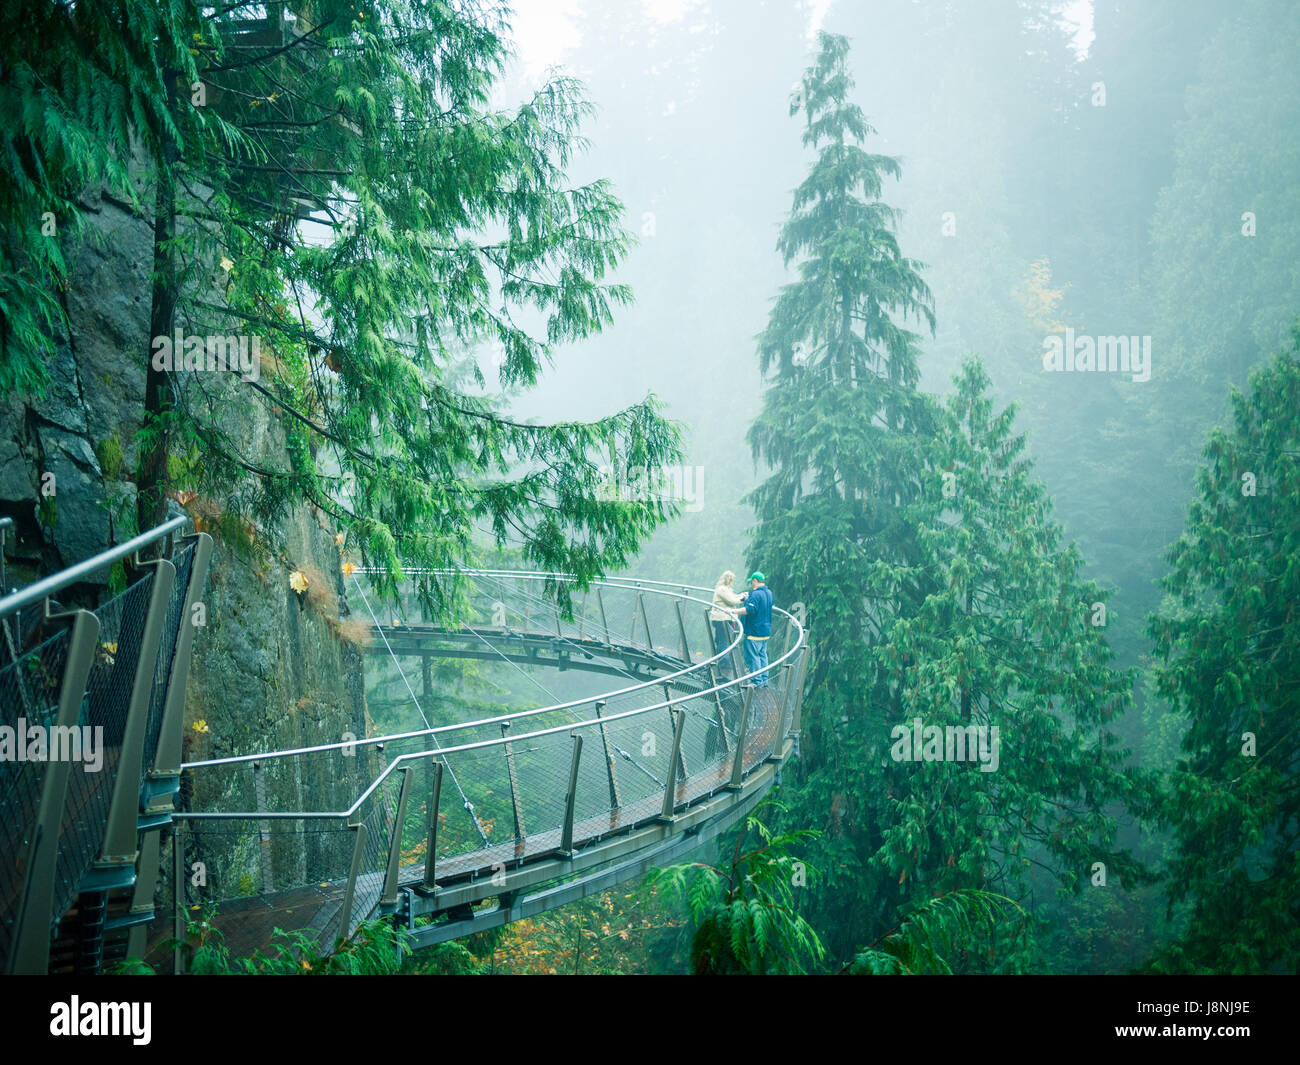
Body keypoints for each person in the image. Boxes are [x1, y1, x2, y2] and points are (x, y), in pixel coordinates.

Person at [737, 572, 773, 687]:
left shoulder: (756, 594)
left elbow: (749, 610)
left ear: (755, 581)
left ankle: (756, 681)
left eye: (752, 581)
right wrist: (749, 598)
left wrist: (733, 611)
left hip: (754, 632)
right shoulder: (769, 593)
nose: (752, 583)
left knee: (753, 656)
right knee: (763, 655)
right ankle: (764, 679)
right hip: (765, 631)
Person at [709, 570, 745, 676]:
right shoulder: (722, 589)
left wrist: (741, 595)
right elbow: (732, 601)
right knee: (724, 641)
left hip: (722, 618)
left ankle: (721, 660)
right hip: (722, 619)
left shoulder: (724, 589)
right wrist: (742, 599)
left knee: (721, 640)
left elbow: (732, 597)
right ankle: (723, 663)